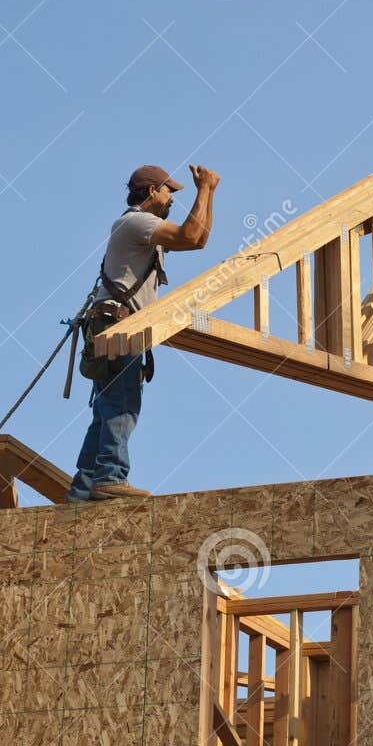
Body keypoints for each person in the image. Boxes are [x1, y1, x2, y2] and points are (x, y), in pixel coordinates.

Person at [66, 162, 218, 502]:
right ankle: (109, 476)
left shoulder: (143, 227)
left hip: (117, 326)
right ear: (151, 191)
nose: (170, 199)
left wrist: (209, 193)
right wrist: (204, 190)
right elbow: (190, 236)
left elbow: (199, 240)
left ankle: (84, 487)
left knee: (107, 408)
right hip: (121, 327)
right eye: (168, 191)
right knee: (122, 405)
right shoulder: (137, 222)